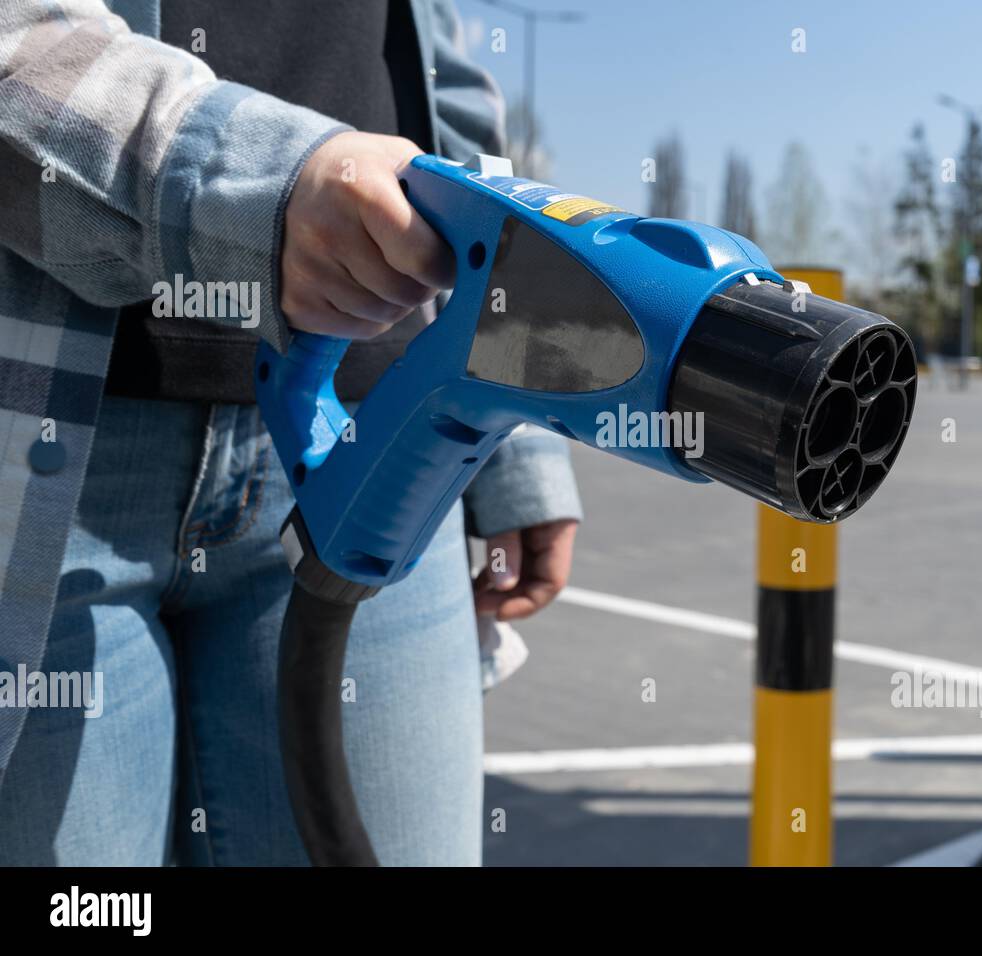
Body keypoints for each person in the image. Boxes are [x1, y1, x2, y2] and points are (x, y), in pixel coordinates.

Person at [0, 0, 581, 865]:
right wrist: (247, 185)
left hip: (378, 447)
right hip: (48, 452)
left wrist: (519, 431)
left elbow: (447, 94)